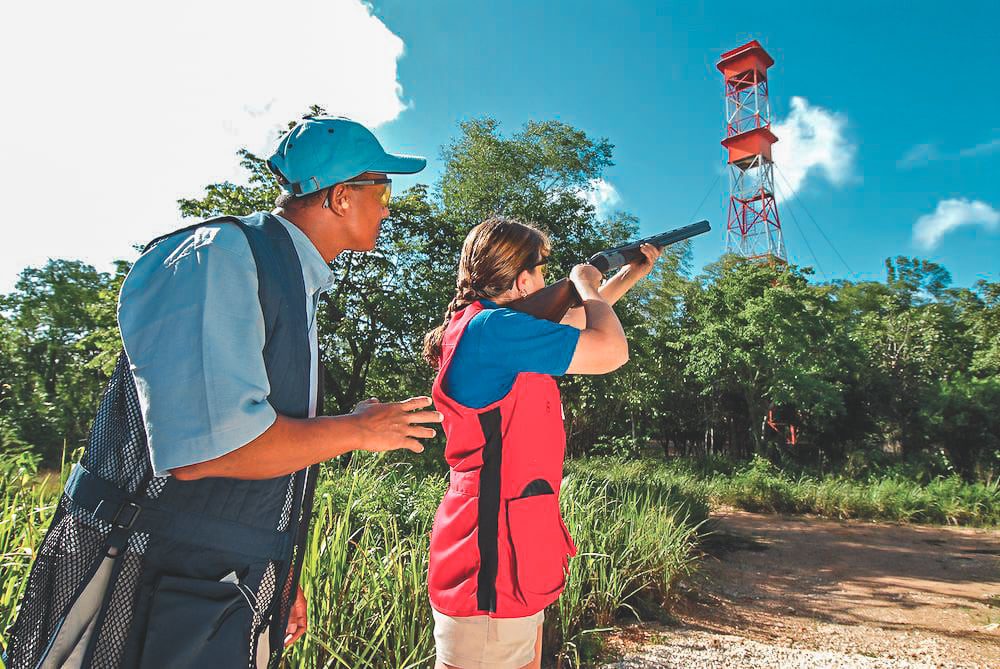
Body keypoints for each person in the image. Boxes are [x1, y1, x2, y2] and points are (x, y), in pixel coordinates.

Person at [4, 116, 443, 669]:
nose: (387, 205)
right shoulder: (219, 256)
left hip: (208, 582)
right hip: (139, 582)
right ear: (337, 199)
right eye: (380, 188)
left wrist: (277, 567)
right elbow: (212, 449)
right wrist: (359, 429)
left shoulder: (290, 277)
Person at [422, 217, 661, 669]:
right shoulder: (493, 331)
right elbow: (610, 348)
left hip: (509, 556)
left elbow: (578, 318)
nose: (551, 280)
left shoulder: (489, 329)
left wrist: (627, 275)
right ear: (523, 280)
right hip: (491, 567)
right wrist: (585, 283)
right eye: (545, 270)